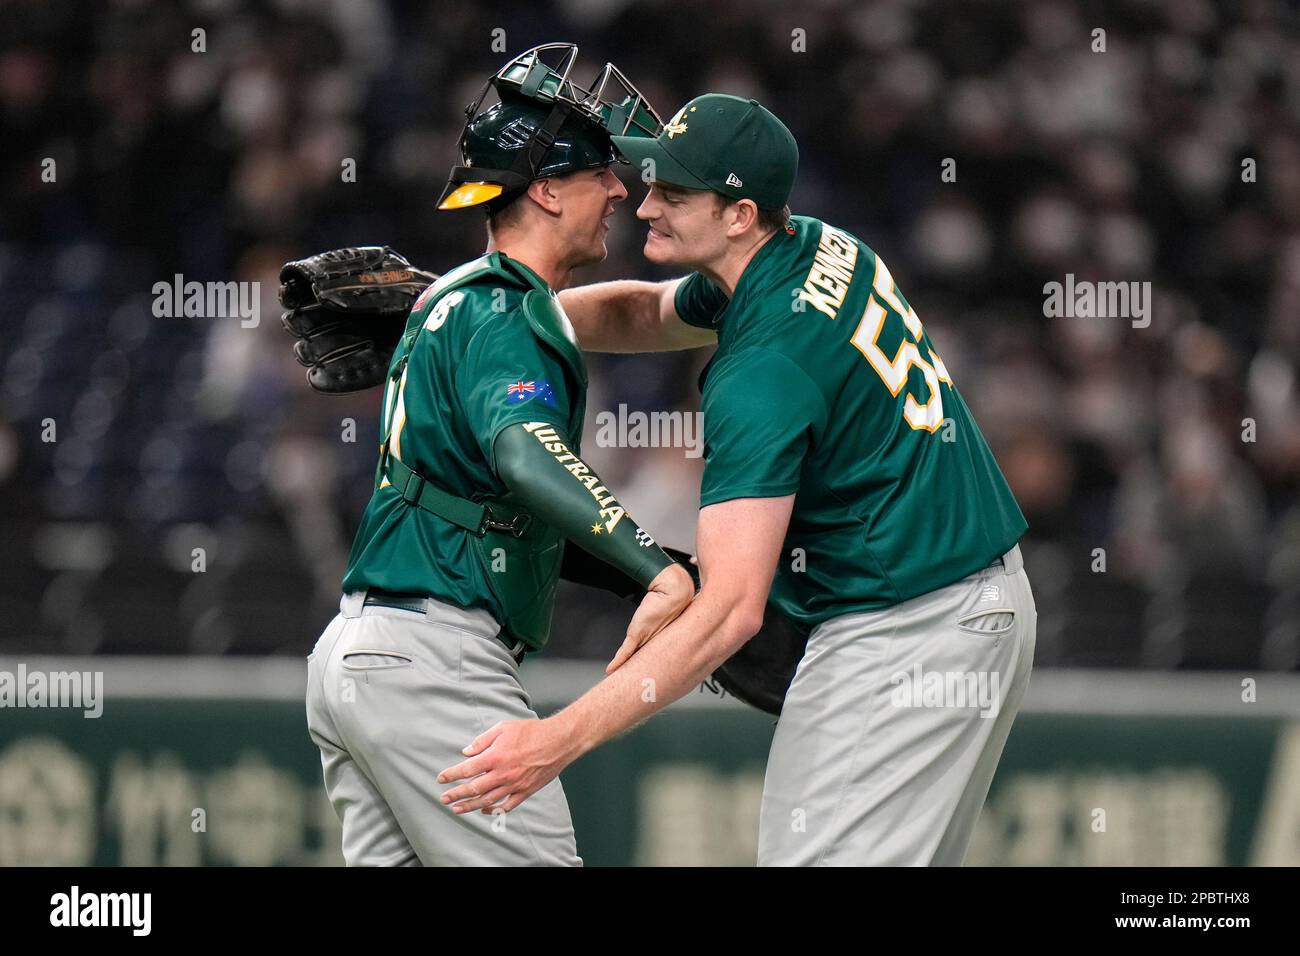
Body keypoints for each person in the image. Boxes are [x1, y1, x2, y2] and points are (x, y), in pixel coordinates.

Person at [437, 93, 1036, 866]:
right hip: (965, 606)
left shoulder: (763, 371)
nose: (645, 204)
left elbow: (728, 614)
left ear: (740, 214)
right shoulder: (816, 245)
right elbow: (649, 314)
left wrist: (557, 740)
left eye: (675, 195)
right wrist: (481, 311)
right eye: (650, 182)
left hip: (907, 632)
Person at [304, 46, 693, 867]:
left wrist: (643, 565)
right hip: (433, 661)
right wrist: (655, 568)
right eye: (600, 175)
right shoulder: (509, 311)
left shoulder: (455, 304)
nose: (621, 191)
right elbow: (526, 455)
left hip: (363, 650)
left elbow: (503, 508)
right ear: (546, 189)